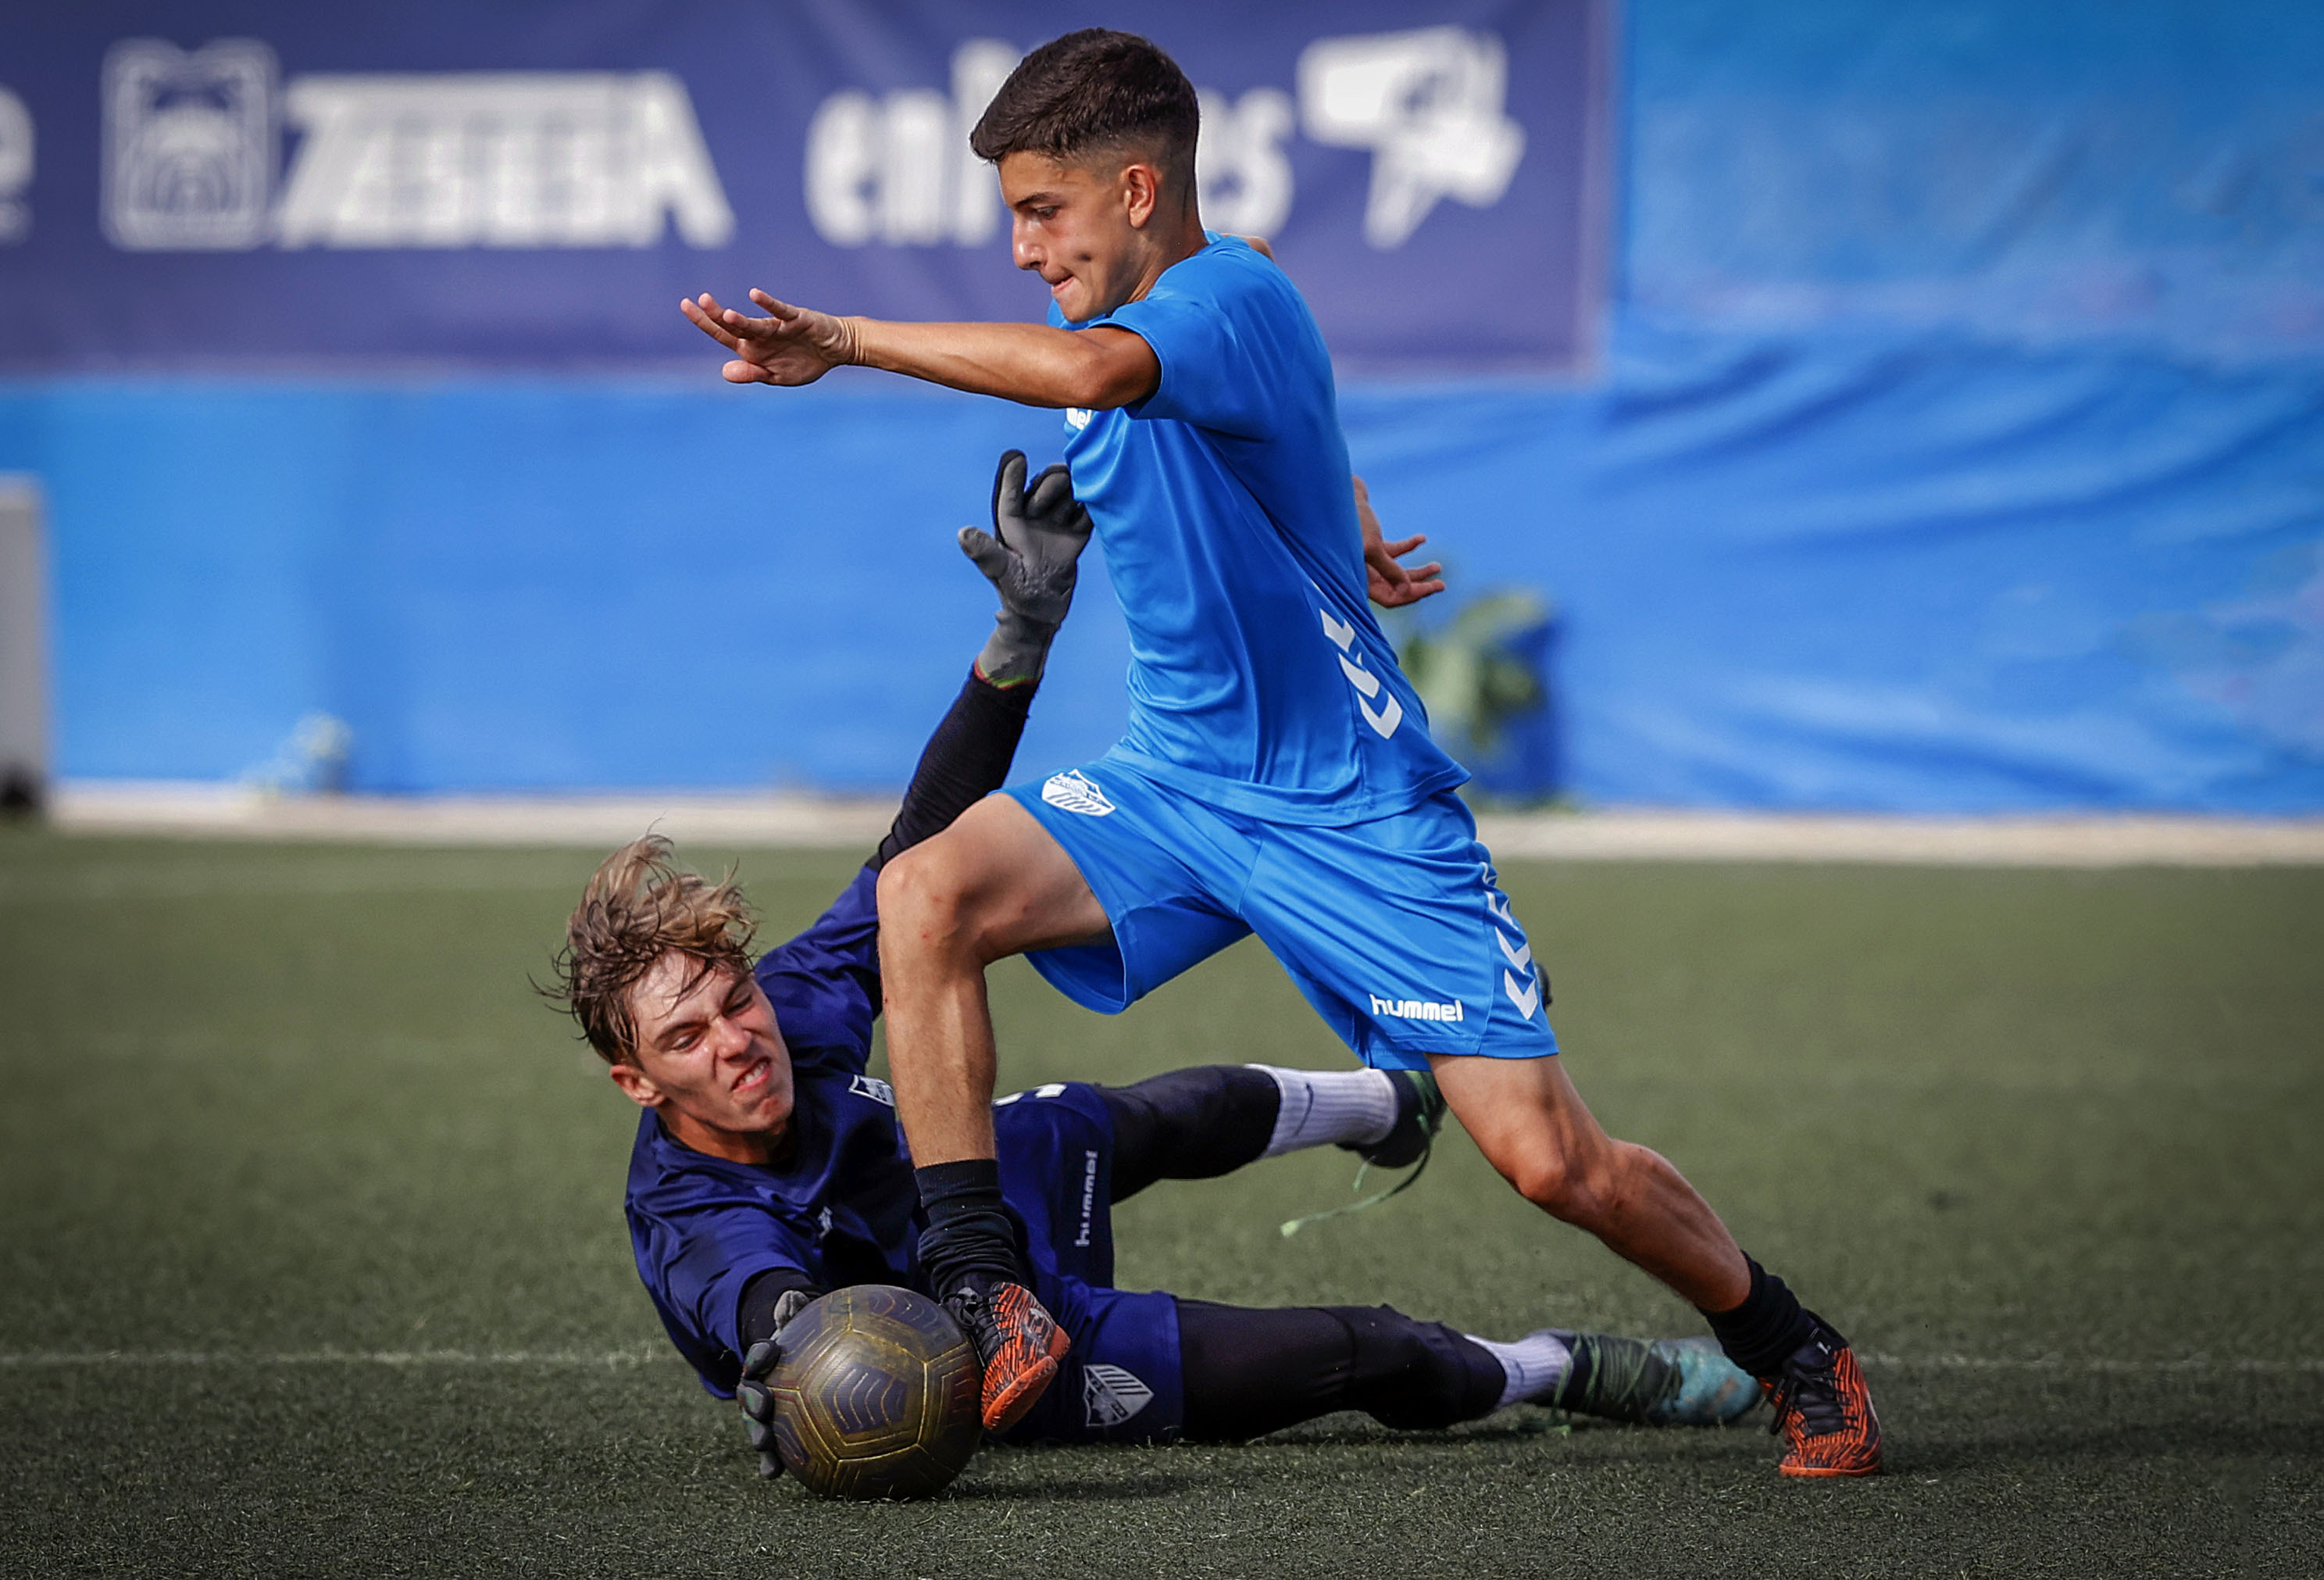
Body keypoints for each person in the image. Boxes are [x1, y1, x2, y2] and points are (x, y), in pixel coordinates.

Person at [677, 30, 1879, 1478]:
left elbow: (1107, 368)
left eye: (1038, 210)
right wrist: (1342, 509)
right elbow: (1267, 412)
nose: (1018, 247)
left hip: (1352, 811)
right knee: (926, 894)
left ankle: (1793, 1347)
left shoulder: (1212, 297)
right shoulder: (1170, 298)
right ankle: (990, 1295)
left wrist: (849, 341)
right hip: (1177, 781)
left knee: (1556, 1164)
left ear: (1134, 189)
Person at [548, 452, 1758, 1471]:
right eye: (686, 1039)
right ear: (637, 1083)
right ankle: (1561, 1367)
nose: (737, 1038)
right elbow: (754, 1296)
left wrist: (1019, 637)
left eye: (731, 1000)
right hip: (1010, 1358)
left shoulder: (793, 1009)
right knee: (1366, 1351)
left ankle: (1398, 1096)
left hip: (974, 1202)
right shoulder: (692, 1215)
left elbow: (917, 853)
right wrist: (803, 1349)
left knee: (1154, 1113)